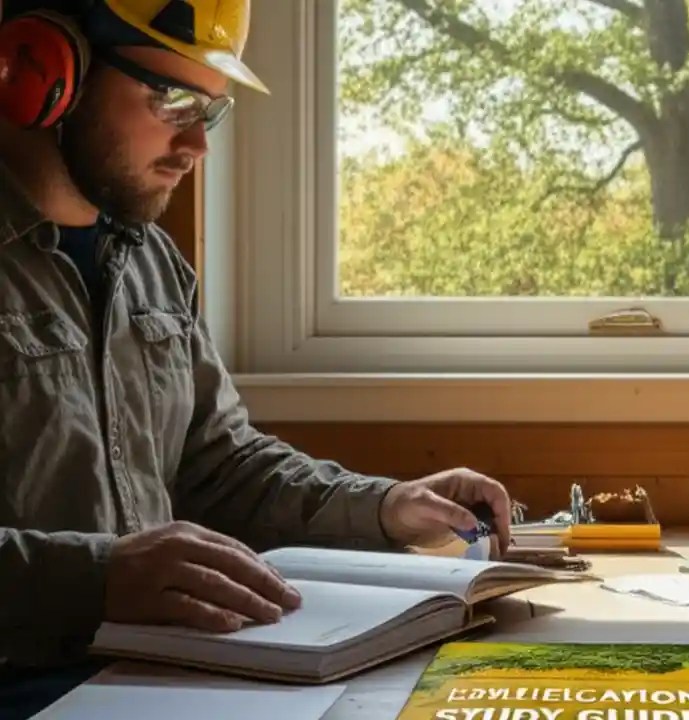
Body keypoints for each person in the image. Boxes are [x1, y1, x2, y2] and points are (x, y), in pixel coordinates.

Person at [0, 1, 513, 715]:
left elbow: (220, 469)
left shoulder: (153, 265)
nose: (196, 147)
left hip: (157, 681)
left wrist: (387, 506)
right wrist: (97, 580)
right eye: (173, 99)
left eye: (209, 112)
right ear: (43, 70)